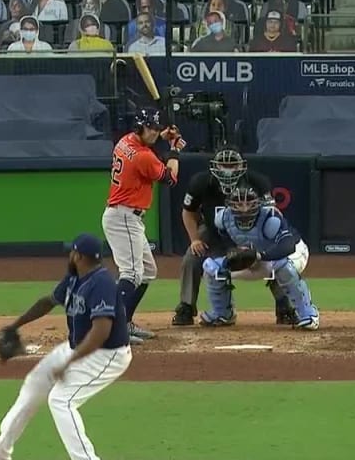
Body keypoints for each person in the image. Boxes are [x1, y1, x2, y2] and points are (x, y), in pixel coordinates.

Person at [0, 233, 133, 460]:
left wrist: (69, 362)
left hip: (107, 354)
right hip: (78, 348)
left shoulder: (101, 284)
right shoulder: (75, 278)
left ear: (79, 256)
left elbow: (101, 331)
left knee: (61, 400)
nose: (69, 255)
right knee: (37, 381)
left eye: (72, 252)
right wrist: (15, 325)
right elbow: (48, 302)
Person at [173, 147, 295, 327]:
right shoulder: (201, 182)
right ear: (214, 166)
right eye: (223, 165)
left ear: (242, 165)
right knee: (191, 258)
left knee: (275, 258)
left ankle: (284, 304)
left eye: (232, 165)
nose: (227, 170)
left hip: (251, 232)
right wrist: (195, 239)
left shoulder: (257, 181)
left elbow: (271, 214)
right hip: (214, 232)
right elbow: (188, 212)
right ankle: (186, 306)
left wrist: (260, 244)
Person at [102, 109, 184, 345]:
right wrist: (174, 150)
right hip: (124, 217)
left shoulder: (125, 141)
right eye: (151, 128)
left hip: (126, 216)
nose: (155, 133)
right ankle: (113, 329)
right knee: (132, 274)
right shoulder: (143, 156)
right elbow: (170, 178)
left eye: (157, 129)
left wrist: (162, 138)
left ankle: (125, 321)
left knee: (147, 271)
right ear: (139, 127)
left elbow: (147, 148)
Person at [198, 186, 320, 330]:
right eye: (238, 204)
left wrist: (259, 255)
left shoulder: (270, 219)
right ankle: (222, 314)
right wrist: (234, 252)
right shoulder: (223, 219)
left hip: (291, 253)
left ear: (258, 203)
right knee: (211, 267)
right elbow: (222, 242)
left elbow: (287, 246)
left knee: (284, 267)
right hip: (253, 258)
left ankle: (308, 314)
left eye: (249, 203)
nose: (244, 209)